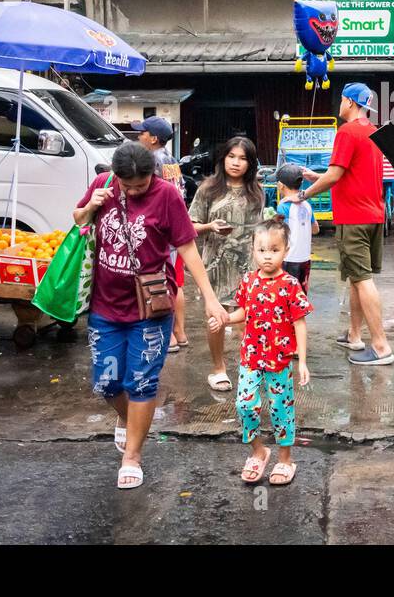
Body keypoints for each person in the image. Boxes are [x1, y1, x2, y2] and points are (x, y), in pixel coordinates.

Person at [73, 142, 227, 490]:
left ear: (151, 176)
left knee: (141, 381)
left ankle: (132, 456)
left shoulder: (167, 195)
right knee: (107, 382)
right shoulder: (103, 186)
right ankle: (131, 422)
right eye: (126, 186)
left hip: (151, 308)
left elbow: (187, 246)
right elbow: (78, 218)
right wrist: (90, 208)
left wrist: (210, 298)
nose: (131, 191)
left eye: (139, 186)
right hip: (105, 305)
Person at [287, 83, 393, 365]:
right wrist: (315, 177)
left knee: (362, 279)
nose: (339, 105)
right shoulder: (373, 132)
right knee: (358, 277)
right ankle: (355, 335)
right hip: (373, 214)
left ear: (349, 101)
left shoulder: (346, 131)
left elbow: (335, 175)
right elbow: (345, 173)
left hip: (353, 217)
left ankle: (381, 346)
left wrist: (303, 194)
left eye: (342, 100)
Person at [207, 217, 311, 486]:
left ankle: (285, 459)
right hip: (251, 357)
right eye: (262, 250)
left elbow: (300, 322)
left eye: (274, 250)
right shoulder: (249, 281)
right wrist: (226, 319)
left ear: (286, 250)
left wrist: (303, 361)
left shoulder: (290, 284)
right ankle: (259, 451)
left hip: (279, 361)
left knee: (280, 409)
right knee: (244, 405)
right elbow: (244, 311)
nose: (267, 256)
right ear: (253, 250)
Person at [190, 136, 266, 392]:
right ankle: (218, 368)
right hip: (215, 265)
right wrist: (210, 226)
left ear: (250, 163)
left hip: (248, 264)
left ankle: (251, 366)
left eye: (243, 158)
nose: (236, 163)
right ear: (223, 158)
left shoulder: (256, 191)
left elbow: (259, 229)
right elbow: (190, 225)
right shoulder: (209, 188)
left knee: (250, 318)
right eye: (232, 156)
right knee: (217, 318)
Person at [131, 116, 189, 353]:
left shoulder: (150, 161)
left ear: (153, 138)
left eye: (142, 132)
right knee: (175, 282)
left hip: (160, 229)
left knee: (159, 282)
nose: (138, 136)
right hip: (175, 227)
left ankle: (170, 339)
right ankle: (180, 333)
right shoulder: (171, 160)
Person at [273, 163, 318, 292]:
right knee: (300, 296)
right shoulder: (307, 205)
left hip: (288, 259)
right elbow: (316, 229)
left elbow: (278, 233)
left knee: (285, 296)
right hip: (305, 259)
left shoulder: (283, 206)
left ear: (281, 185)